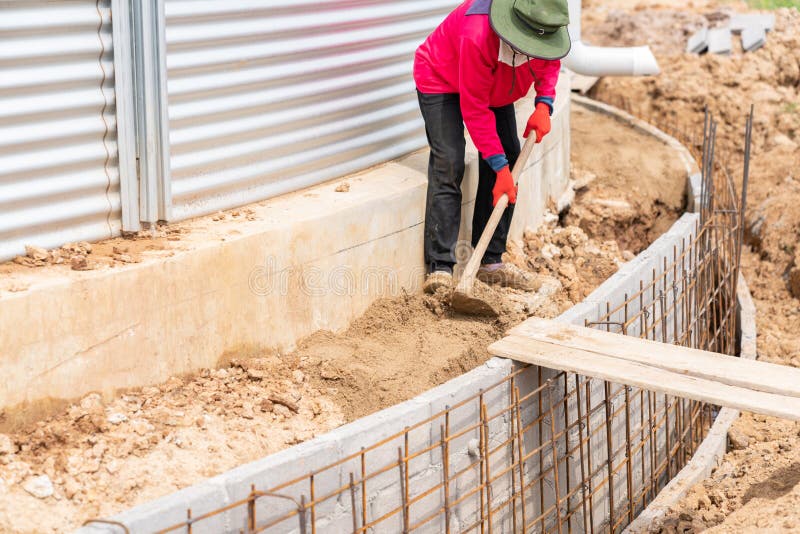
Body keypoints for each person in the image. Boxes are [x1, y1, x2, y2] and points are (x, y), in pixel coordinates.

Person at [414, 0, 570, 294]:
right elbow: (474, 109)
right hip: (442, 76)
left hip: (497, 86)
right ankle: (441, 269)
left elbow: (551, 62)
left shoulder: (544, 25)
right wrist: (499, 169)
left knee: (511, 157)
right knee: (450, 162)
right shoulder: (478, 33)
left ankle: (489, 263)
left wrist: (544, 103)